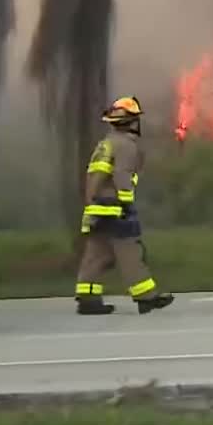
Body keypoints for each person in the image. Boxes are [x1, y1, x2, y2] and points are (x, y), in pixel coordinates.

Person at [74, 96, 175, 315]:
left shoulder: (106, 144)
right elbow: (122, 175)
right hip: (114, 208)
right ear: (131, 122)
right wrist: (127, 203)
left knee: (97, 254)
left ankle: (87, 299)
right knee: (130, 251)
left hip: (96, 208)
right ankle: (146, 297)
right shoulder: (127, 146)